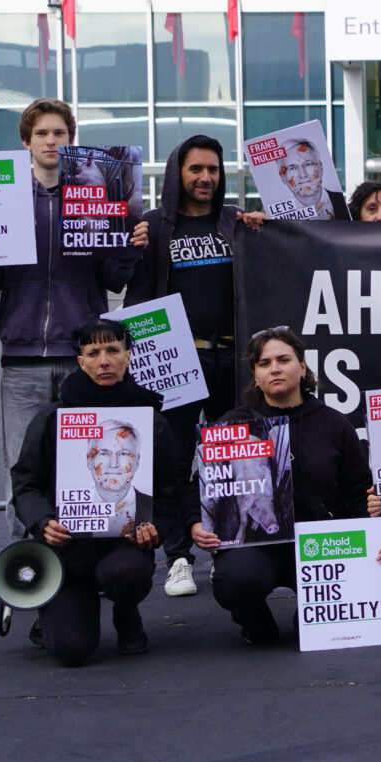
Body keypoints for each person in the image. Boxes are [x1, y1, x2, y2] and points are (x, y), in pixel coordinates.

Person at [189, 327, 381, 646]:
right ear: (255, 375)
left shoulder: (334, 423)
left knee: (322, 633)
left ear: (302, 367)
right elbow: (201, 489)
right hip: (259, 546)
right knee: (235, 579)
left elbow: (361, 490)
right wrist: (195, 524)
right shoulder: (231, 425)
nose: (274, 368)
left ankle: (314, 615)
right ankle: (255, 623)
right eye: (264, 363)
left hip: (325, 542)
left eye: (284, 359)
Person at [0, 101, 137, 490]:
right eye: (42, 133)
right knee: (23, 469)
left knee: (83, 463)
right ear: (26, 141)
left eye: (59, 133)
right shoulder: (3, 196)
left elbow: (113, 277)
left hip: (85, 357)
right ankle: (26, 552)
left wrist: (130, 243)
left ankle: (79, 552)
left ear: (70, 140)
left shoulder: (96, 199)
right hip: (23, 359)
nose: (50, 140)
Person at [124, 136, 264, 598]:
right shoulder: (154, 227)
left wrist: (264, 231)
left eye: (214, 170)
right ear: (176, 174)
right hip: (178, 362)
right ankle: (178, 557)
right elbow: (138, 297)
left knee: (235, 455)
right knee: (175, 460)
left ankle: (232, 546)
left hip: (232, 357)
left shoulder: (235, 222)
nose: (206, 177)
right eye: (196, 169)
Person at [7, 320, 177, 665]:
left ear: (128, 357)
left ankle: (127, 612)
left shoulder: (151, 420)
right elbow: (25, 481)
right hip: (67, 551)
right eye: (93, 353)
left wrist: (156, 528)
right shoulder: (53, 417)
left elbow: (171, 488)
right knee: (72, 651)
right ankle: (52, 610)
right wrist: (43, 521)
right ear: (80, 361)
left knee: (125, 574)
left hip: (123, 547)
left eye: (113, 351)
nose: (104, 361)